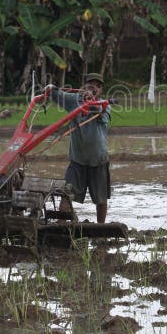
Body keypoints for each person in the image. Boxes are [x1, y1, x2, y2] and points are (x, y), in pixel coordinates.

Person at [48, 73, 111, 223]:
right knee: (66, 194)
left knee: (100, 199)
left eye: (97, 85)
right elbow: (56, 94)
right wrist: (50, 89)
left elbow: (100, 112)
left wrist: (91, 100)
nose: (93, 87)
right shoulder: (73, 100)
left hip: (98, 160)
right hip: (77, 161)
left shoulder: (104, 105)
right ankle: (61, 225)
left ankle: (100, 229)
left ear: (101, 90)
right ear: (83, 86)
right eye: (90, 84)